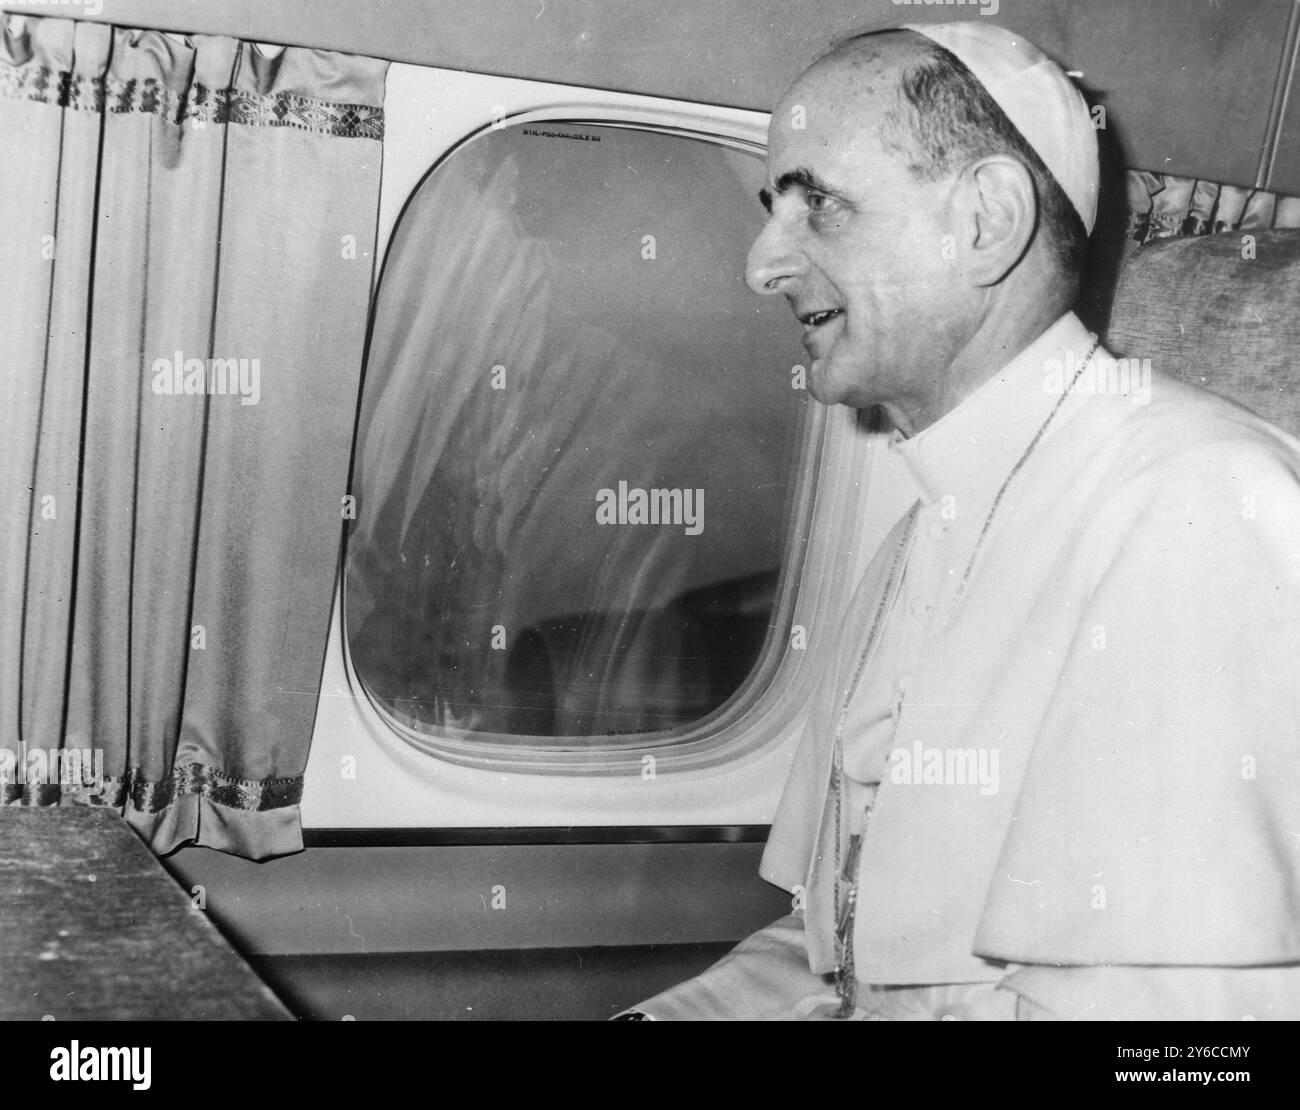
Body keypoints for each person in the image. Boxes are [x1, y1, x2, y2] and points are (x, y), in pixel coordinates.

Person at [616, 22, 1300, 1020]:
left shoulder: (1201, 506)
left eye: (818, 208)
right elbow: (839, 962)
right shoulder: (912, 538)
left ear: (983, 220)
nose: (763, 263)